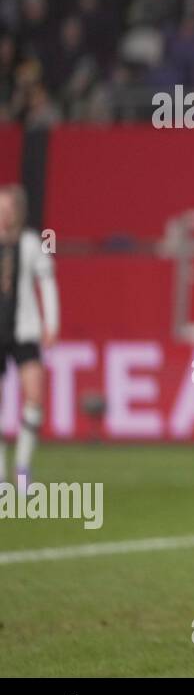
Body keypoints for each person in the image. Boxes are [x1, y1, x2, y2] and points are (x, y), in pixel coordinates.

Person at [0, 185, 59, 494]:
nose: (4, 214)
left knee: (34, 397)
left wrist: (52, 323)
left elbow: (47, 281)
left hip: (25, 330)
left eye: (8, 208)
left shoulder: (32, 243)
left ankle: (22, 466)